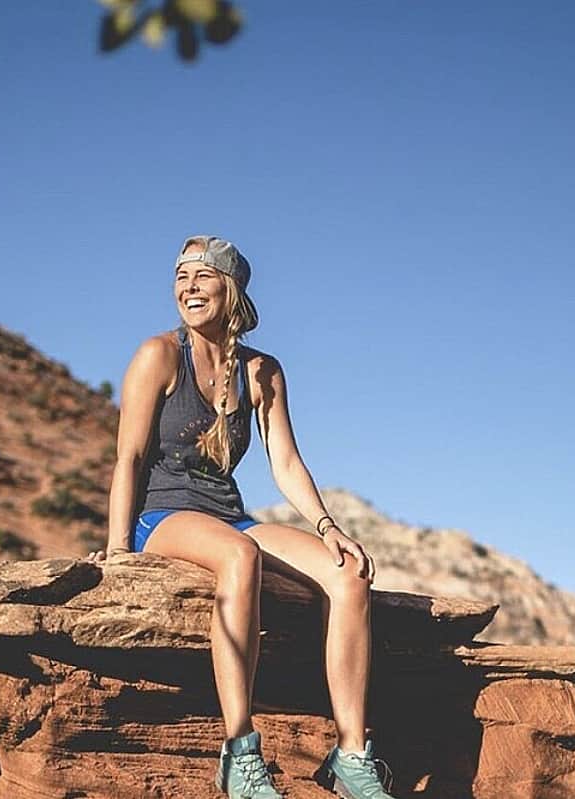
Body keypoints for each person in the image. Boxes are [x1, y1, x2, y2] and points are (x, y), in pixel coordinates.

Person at [85, 235, 397, 799]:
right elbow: (127, 458)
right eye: (180, 276)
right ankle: (240, 752)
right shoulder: (159, 355)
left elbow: (286, 461)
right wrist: (119, 551)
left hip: (229, 516)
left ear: (230, 289)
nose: (188, 287)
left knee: (349, 573)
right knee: (239, 554)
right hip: (162, 515)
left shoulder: (261, 371)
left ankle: (351, 756)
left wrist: (328, 527)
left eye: (201, 276)